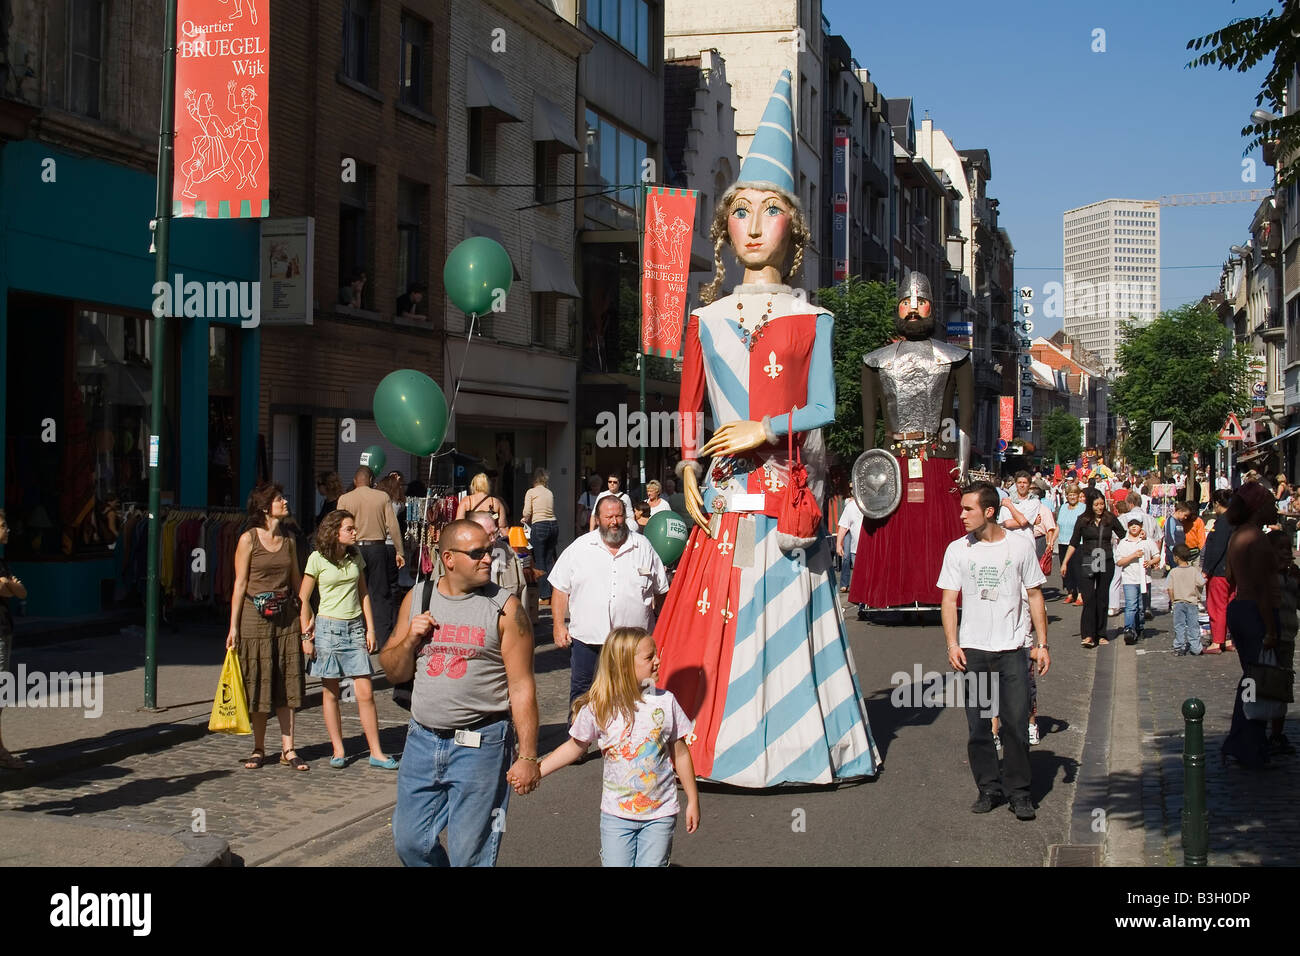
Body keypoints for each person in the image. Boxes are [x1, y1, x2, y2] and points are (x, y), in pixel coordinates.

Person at [652, 69, 881, 787]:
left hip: (784, 504)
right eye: (740, 211)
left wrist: (762, 428)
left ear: (795, 227)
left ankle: (795, 749)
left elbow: (824, 407)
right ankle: (714, 746)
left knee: (785, 629)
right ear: (724, 227)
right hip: (724, 503)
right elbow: (688, 404)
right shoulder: (704, 320)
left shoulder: (813, 318)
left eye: (770, 210)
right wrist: (687, 465)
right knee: (717, 622)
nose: (752, 225)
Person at [380, 519, 541, 866]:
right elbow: (393, 669)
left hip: (481, 745)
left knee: (470, 855)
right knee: (411, 843)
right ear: (449, 558)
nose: (488, 559)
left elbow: (522, 685)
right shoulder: (419, 597)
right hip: (421, 741)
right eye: (477, 553)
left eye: (489, 551)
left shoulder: (506, 609)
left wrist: (528, 756)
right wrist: (410, 639)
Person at [849, 268, 972, 610]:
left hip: (940, 456)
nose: (914, 309)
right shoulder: (875, 361)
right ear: (898, 308)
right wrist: (865, 470)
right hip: (892, 459)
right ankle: (888, 593)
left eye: (921, 302)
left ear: (933, 307)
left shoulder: (956, 357)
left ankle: (944, 593)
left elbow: (964, 419)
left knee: (940, 532)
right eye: (906, 302)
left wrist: (962, 466)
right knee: (893, 528)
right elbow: (868, 422)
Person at [537, 627, 701, 866]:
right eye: (649, 657)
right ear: (624, 666)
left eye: (656, 654)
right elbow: (575, 747)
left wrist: (693, 800)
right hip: (617, 816)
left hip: (660, 813)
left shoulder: (665, 702)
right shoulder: (600, 706)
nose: (658, 660)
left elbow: (681, 753)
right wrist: (537, 771)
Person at [938, 482, 1050, 821]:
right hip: (975, 652)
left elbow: (1034, 596)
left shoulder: (1019, 547)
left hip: (1013, 650)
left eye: (968, 509)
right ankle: (988, 788)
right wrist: (952, 643)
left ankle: (1020, 793)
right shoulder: (958, 550)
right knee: (979, 727)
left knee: (1015, 725)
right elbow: (948, 599)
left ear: (989, 511)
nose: (961, 515)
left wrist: (1041, 645)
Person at [299, 510, 398, 769]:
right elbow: (303, 598)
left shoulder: (356, 558)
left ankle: (376, 752)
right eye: (349, 528)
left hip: (354, 628)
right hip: (327, 629)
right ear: (335, 532)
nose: (355, 532)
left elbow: (364, 593)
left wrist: (370, 629)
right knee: (331, 692)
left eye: (354, 528)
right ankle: (338, 748)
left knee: (365, 692)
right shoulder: (317, 559)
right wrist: (305, 634)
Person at [549, 496, 669, 709]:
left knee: (636, 695)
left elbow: (660, 589)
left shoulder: (643, 546)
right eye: (609, 517)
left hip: (633, 645)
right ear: (598, 519)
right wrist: (558, 625)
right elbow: (560, 587)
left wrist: (661, 623)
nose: (614, 522)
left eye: (619, 516)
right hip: (588, 640)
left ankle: (631, 740)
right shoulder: (580, 547)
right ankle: (578, 740)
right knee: (583, 695)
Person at [226, 484, 309, 771]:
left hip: (286, 617)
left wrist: (306, 614)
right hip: (254, 617)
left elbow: (297, 580)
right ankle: (258, 748)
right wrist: (233, 627)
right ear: (265, 508)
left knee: (287, 680)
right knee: (259, 681)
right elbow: (239, 585)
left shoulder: (288, 540)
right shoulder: (248, 539)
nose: (285, 502)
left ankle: (289, 748)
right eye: (279, 499)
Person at [1222, 482, 1281, 769]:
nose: (1275, 507)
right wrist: (1270, 628)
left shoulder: (1238, 535)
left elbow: (1231, 575)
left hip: (1240, 608)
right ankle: (1248, 744)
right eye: (1271, 502)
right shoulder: (1255, 538)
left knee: (1251, 678)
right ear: (1258, 507)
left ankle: (1240, 739)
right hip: (1255, 612)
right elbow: (1262, 589)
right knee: (1259, 680)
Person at [338, 466, 404, 646]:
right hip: (377, 548)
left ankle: (357, 636)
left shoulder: (344, 499)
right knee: (379, 594)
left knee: (353, 592)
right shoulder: (382, 497)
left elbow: (336, 525)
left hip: (352, 548)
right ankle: (382, 639)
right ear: (370, 480)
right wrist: (399, 551)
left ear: (354, 481)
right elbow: (393, 525)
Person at [1062, 488, 1123, 648]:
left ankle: (1101, 633)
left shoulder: (1110, 518)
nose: (1100, 507)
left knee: (1102, 597)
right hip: (1089, 557)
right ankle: (1088, 634)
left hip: (1105, 558)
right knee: (1089, 597)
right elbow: (1074, 542)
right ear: (1091, 505)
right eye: (1096, 505)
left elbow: (1123, 534)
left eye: (1102, 504)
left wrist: (1139, 536)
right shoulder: (1083, 520)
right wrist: (1065, 562)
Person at [0, 511, 28, 770]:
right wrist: (8, 586)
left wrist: (9, 585)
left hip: (4, 629)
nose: (7, 529)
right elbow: (5, 590)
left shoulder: (2, 562)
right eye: (2, 526)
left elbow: (20, 592)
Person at [522, 468, 558, 606]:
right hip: (554, 525)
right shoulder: (549, 492)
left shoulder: (531, 492)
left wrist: (524, 518)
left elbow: (527, 511)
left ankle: (544, 595)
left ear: (533, 479)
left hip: (540, 525)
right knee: (549, 560)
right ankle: (552, 593)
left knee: (539, 560)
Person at [1115, 518, 1152, 645]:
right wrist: (1133, 555)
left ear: (1141, 526)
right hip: (1129, 579)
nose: (1134, 527)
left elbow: (1156, 556)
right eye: (1131, 525)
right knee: (1131, 606)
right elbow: (1119, 562)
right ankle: (1129, 630)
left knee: (1141, 607)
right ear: (1128, 527)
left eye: (1137, 525)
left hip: (1144, 579)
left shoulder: (1146, 541)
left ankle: (1139, 628)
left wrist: (1151, 562)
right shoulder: (1123, 543)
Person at [1168, 544, 1205, 657]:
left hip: (1178, 602)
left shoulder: (1173, 572)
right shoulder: (1193, 571)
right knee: (1193, 625)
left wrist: (1172, 601)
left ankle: (1179, 647)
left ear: (1176, 557)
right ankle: (1196, 648)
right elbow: (1201, 582)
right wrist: (1198, 595)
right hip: (1192, 602)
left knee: (1179, 626)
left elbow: (1170, 589)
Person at [1055, 483, 1085, 605]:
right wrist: (1051, 540)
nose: (1072, 497)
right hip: (1063, 542)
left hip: (1078, 544)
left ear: (1078, 496)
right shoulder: (1063, 507)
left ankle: (1080, 594)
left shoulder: (1083, 507)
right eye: (1070, 495)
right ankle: (1070, 592)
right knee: (1066, 570)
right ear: (1066, 496)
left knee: (1077, 569)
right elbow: (1058, 525)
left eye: (1074, 495)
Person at [836, 491, 863, 595]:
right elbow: (843, 526)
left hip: (874, 549)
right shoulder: (850, 506)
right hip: (856, 550)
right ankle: (862, 602)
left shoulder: (875, 504)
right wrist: (838, 544)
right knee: (859, 575)